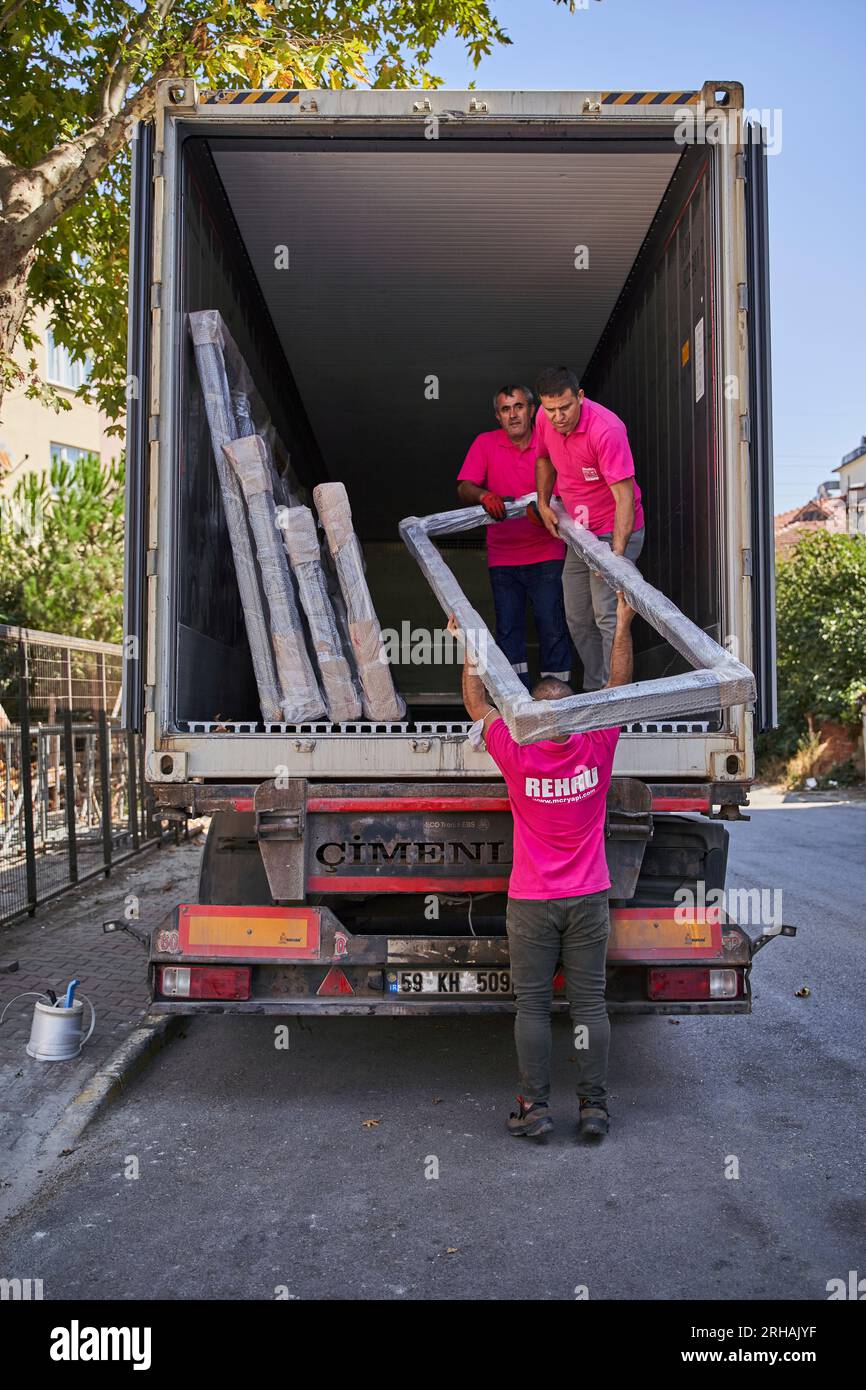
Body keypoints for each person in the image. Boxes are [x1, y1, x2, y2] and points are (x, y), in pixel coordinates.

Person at [448, 590, 636, 1142]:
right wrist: (621, 621)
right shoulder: (596, 744)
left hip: (532, 899)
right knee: (590, 1005)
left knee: (531, 1006)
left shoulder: (516, 750)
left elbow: (477, 707)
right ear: (576, 715)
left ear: (531, 715)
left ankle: (534, 1108)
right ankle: (595, 1109)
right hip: (588, 897)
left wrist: (468, 650)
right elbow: (618, 689)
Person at [533, 365, 646, 691]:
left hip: (616, 531)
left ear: (580, 397)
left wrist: (616, 558)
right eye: (551, 409)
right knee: (578, 617)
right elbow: (543, 459)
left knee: (606, 614)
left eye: (565, 407)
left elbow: (624, 496)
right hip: (580, 535)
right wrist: (543, 503)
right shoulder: (544, 418)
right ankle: (597, 690)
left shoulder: (606, 429)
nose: (557, 416)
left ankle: (617, 694)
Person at [457, 384, 572, 689]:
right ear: (498, 416)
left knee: (552, 625)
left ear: (532, 410)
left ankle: (555, 700)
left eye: (519, 406)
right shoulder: (485, 443)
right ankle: (516, 697)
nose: (513, 414)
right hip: (503, 556)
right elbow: (464, 486)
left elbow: (570, 482)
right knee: (509, 629)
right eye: (506, 409)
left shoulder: (550, 440)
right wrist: (484, 496)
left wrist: (548, 504)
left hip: (547, 551)